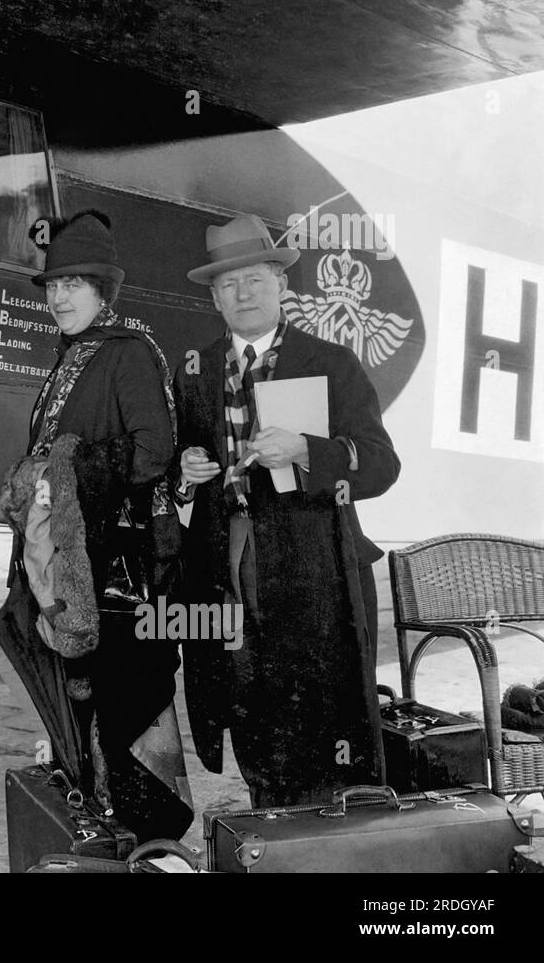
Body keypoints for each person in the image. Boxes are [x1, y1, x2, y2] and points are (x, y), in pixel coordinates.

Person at [172, 213, 400, 807]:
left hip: (314, 572)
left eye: (253, 280)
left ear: (281, 284)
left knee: (320, 722)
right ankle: (268, 824)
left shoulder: (332, 362)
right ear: (214, 297)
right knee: (246, 703)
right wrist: (187, 472)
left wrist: (306, 450)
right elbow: (180, 463)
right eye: (226, 285)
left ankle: (320, 834)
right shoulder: (194, 371)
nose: (241, 295)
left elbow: (380, 465)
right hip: (227, 569)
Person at [0, 211, 193, 841]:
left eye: (72, 284)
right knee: (81, 709)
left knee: (126, 710)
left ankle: (153, 846)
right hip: (77, 568)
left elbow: (154, 450)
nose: (58, 297)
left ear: (102, 291)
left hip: (121, 574)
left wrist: (67, 473)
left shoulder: (127, 354)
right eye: (52, 286)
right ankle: (107, 838)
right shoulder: (74, 355)